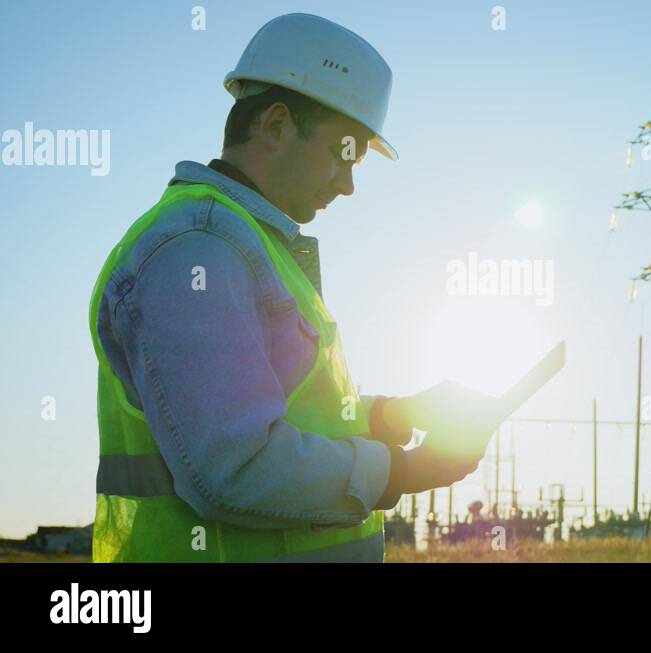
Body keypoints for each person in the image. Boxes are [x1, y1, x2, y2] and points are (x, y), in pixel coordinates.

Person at [88, 13, 501, 562]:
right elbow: (234, 468)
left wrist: (393, 416)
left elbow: (291, 415)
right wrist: (406, 470)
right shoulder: (199, 248)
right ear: (277, 126)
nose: (349, 184)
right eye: (344, 152)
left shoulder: (244, 245)